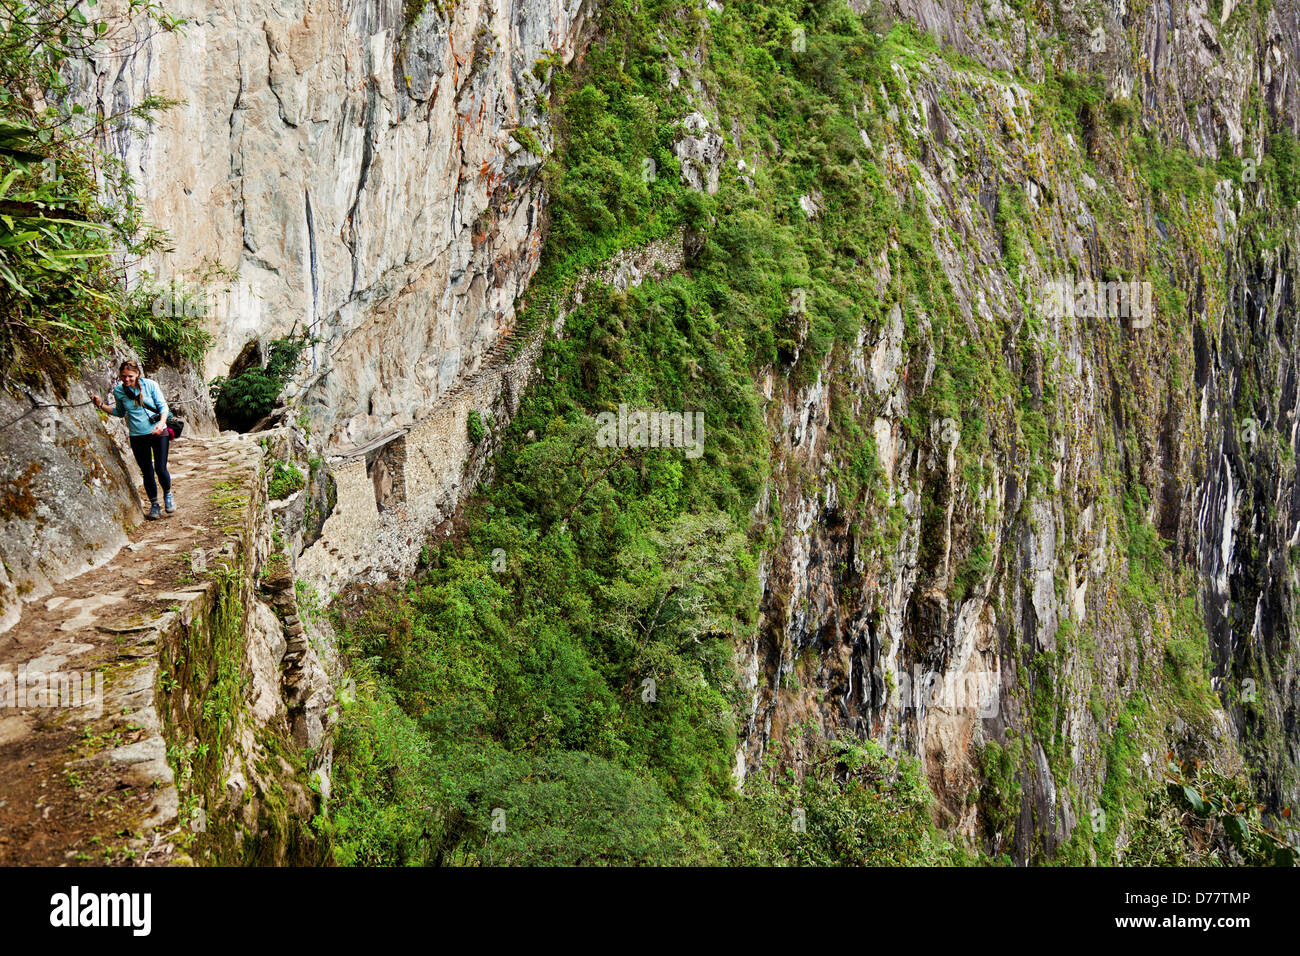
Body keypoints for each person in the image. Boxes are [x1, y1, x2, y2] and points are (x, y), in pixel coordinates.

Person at [91, 360, 175, 520]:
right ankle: (154, 505)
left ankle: (168, 495)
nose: (126, 379)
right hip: (137, 436)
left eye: (130, 376)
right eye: (123, 376)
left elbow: (163, 407)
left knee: (160, 468)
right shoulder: (119, 391)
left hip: (159, 432)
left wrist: (161, 424)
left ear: (137, 374)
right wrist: (100, 405)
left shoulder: (150, 385)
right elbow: (119, 412)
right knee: (147, 472)